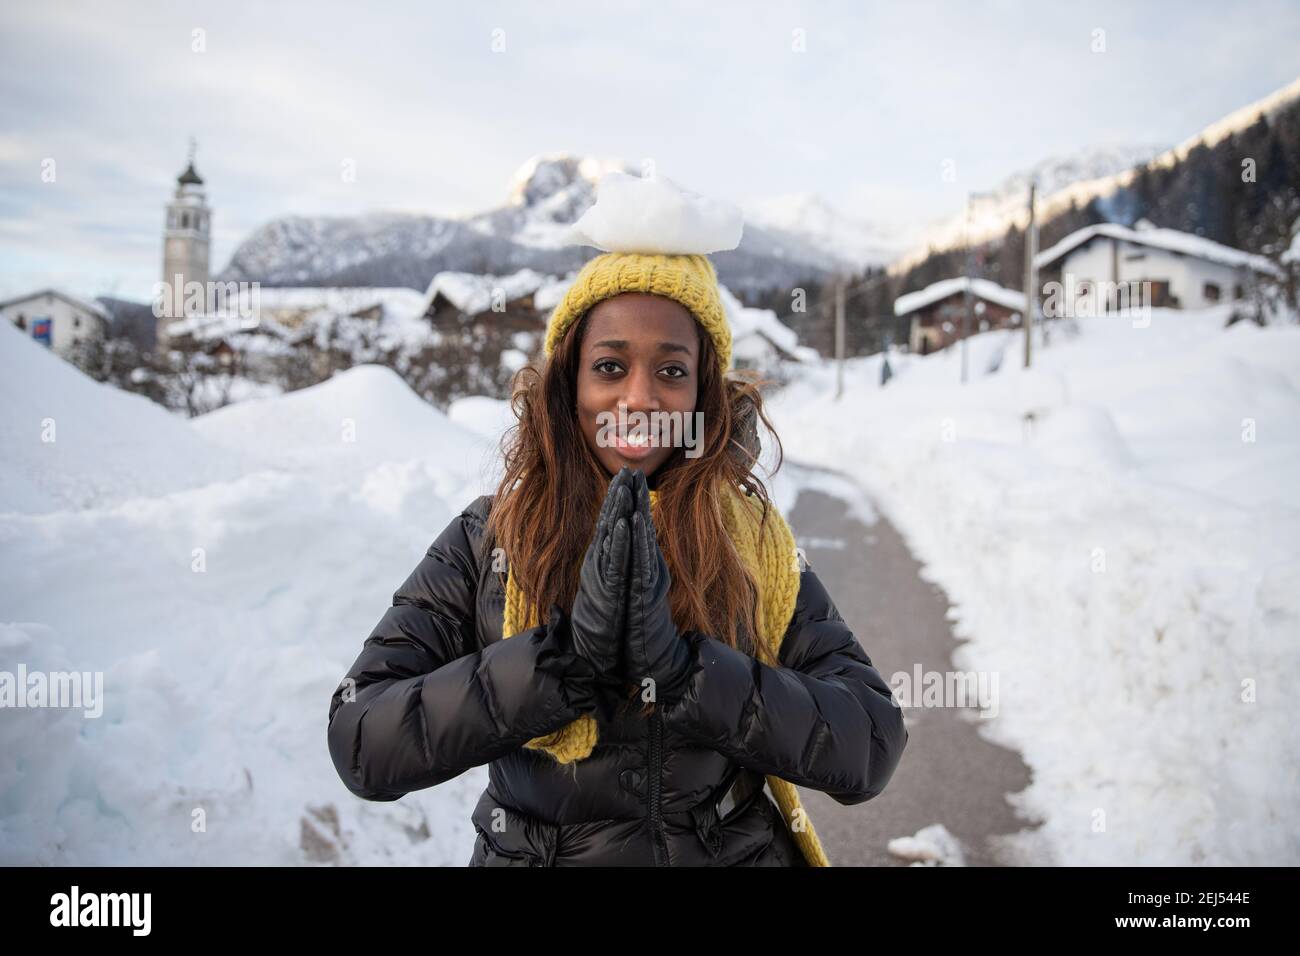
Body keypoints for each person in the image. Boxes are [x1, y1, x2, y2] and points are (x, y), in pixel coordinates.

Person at [326, 251, 909, 866]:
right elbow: (362, 737)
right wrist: (557, 663)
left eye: (671, 371)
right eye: (609, 366)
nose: (639, 398)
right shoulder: (490, 538)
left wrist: (692, 675)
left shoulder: (751, 542)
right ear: (569, 382)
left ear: (702, 391)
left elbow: (869, 742)